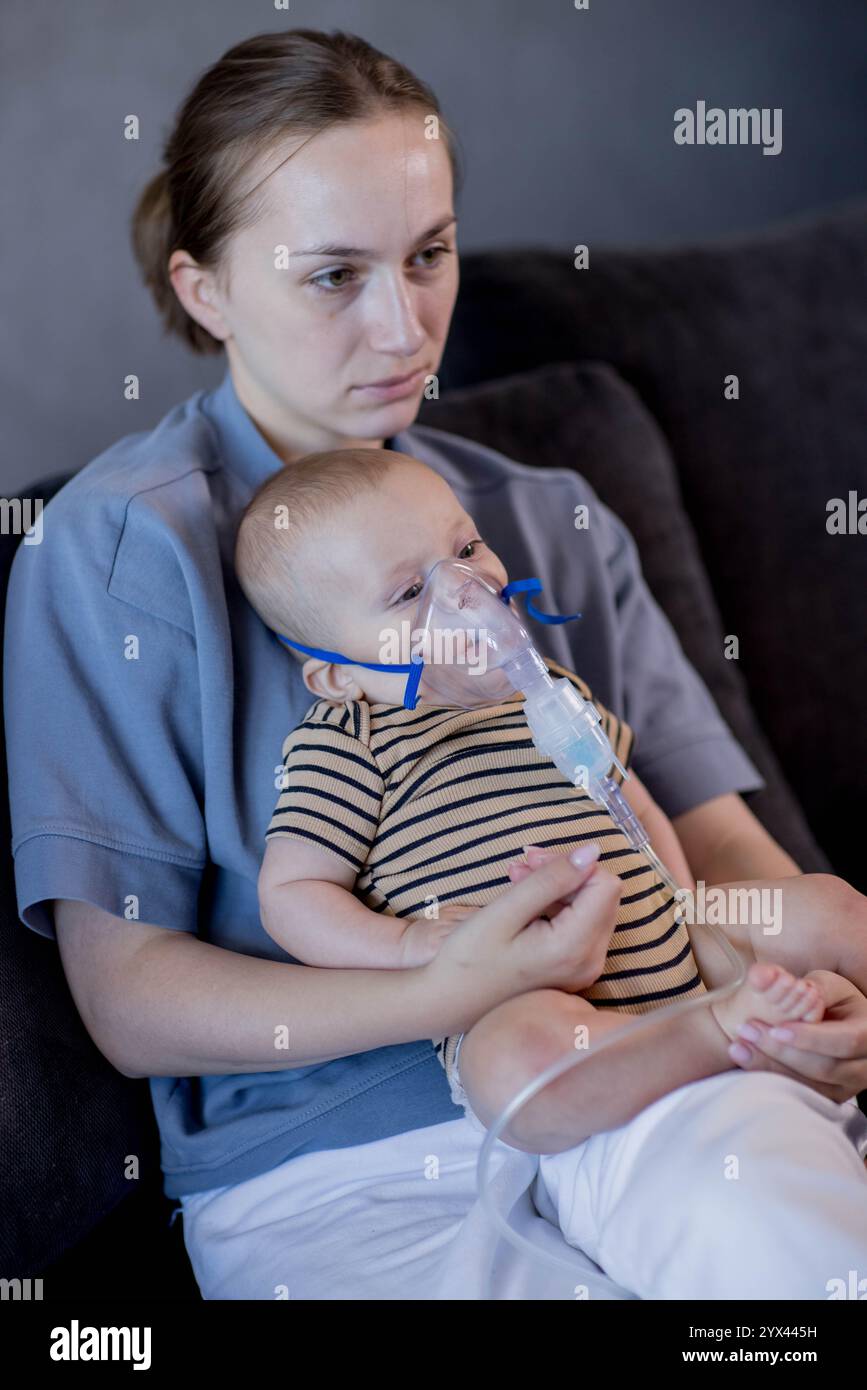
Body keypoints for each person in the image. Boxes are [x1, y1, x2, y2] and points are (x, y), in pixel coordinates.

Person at [6, 29, 867, 1301]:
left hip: (657, 1057)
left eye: (428, 254)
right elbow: (131, 999)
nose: (404, 326)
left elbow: (724, 850)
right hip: (340, 1163)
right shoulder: (122, 549)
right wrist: (449, 986)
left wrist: (810, 979)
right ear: (205, 290)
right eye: (332, 275)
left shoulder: (544, 509)